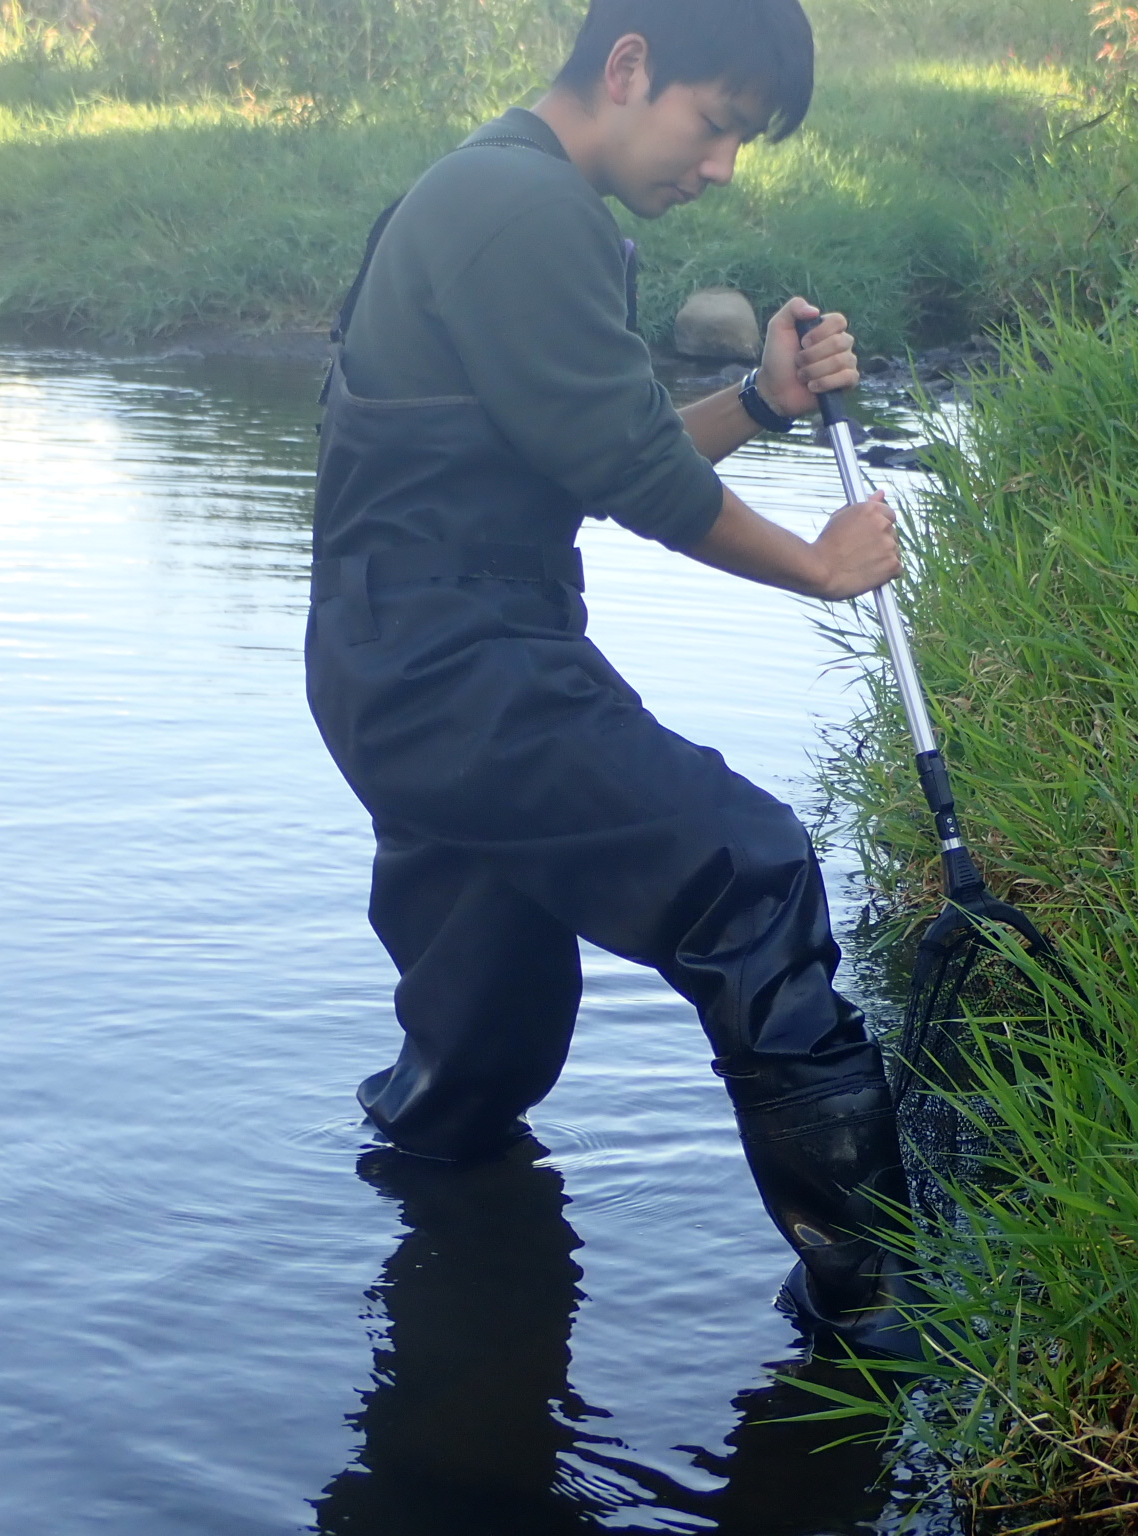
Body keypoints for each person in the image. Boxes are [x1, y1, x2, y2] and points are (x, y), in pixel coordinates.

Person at [304, 0, 919, 1358]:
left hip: (396, 665)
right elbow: (637, 480)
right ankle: (881, 1312)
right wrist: (820, 565)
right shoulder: (526, 208)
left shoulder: (495, 188)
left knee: (489, 1032)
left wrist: (759, 402)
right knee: (751, 878)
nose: (722, 167)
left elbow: (585, 451)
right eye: (717, 125)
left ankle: (443, 1279)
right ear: (629, 66)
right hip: (461, 673)